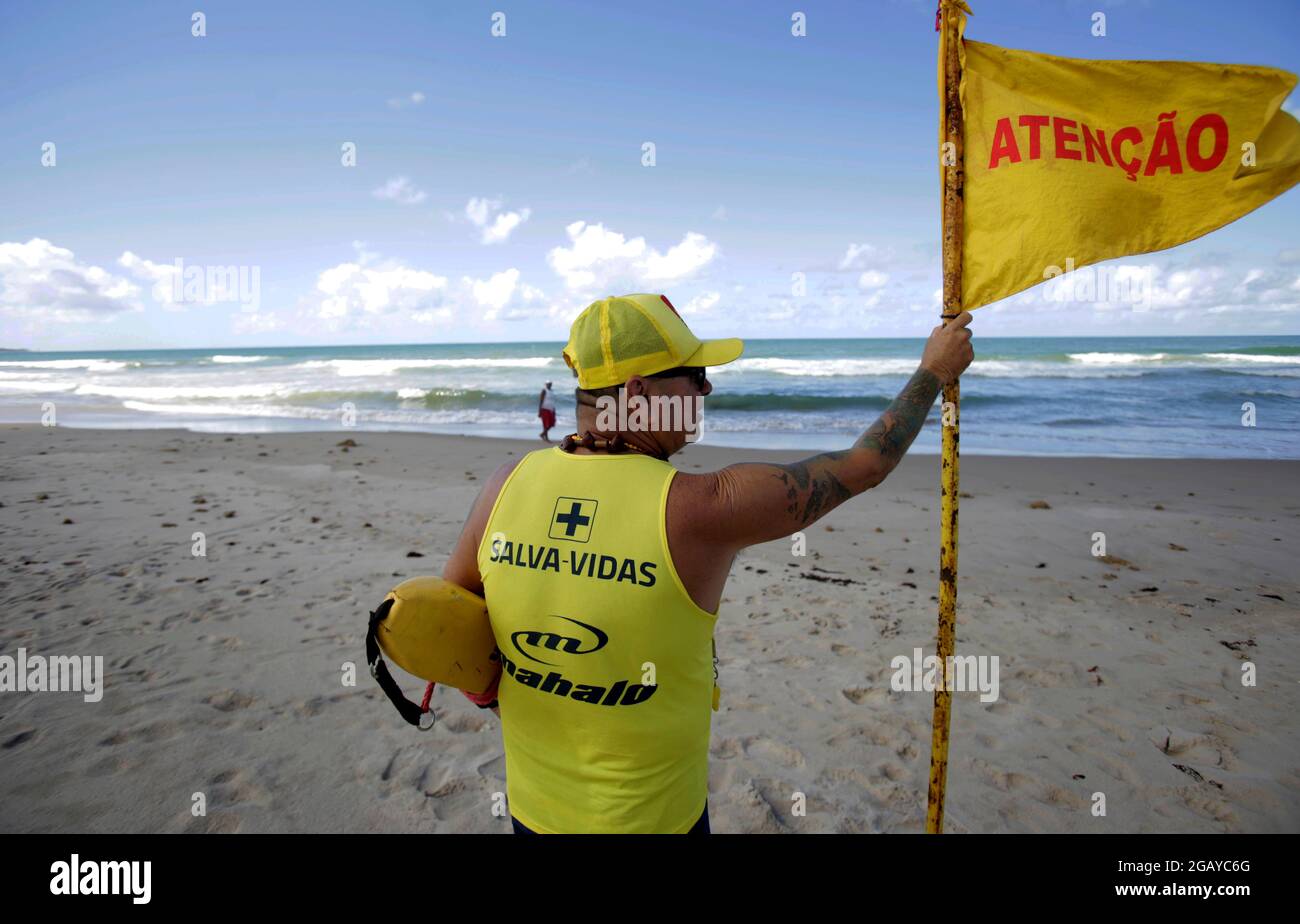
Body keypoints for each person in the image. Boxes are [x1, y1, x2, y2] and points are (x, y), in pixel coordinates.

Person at [443, 293, 974, 834]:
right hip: (655, 821)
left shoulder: (505, 486)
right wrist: (933, 371)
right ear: (637, 391)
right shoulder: (703, 506)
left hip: (533, 811)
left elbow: (448, 623)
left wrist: (495, 696)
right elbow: (865, 465)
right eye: (694, 374)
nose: (706, 388)